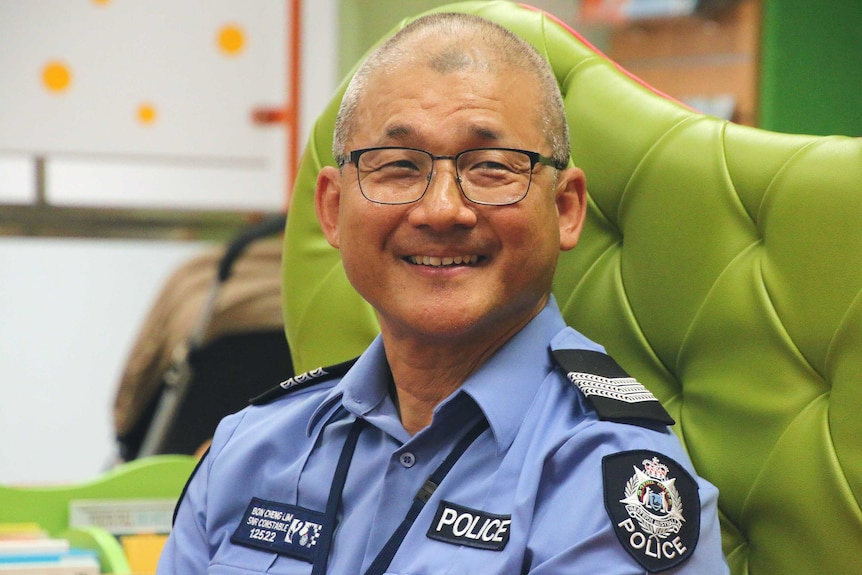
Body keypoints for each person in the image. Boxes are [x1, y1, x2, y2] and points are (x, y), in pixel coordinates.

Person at [158, 12, 729, 575]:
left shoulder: (609, 481)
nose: (441, 211)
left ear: (564, 209)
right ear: (332, 210)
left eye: (491, 167)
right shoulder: (252, 448)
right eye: (398, 167)